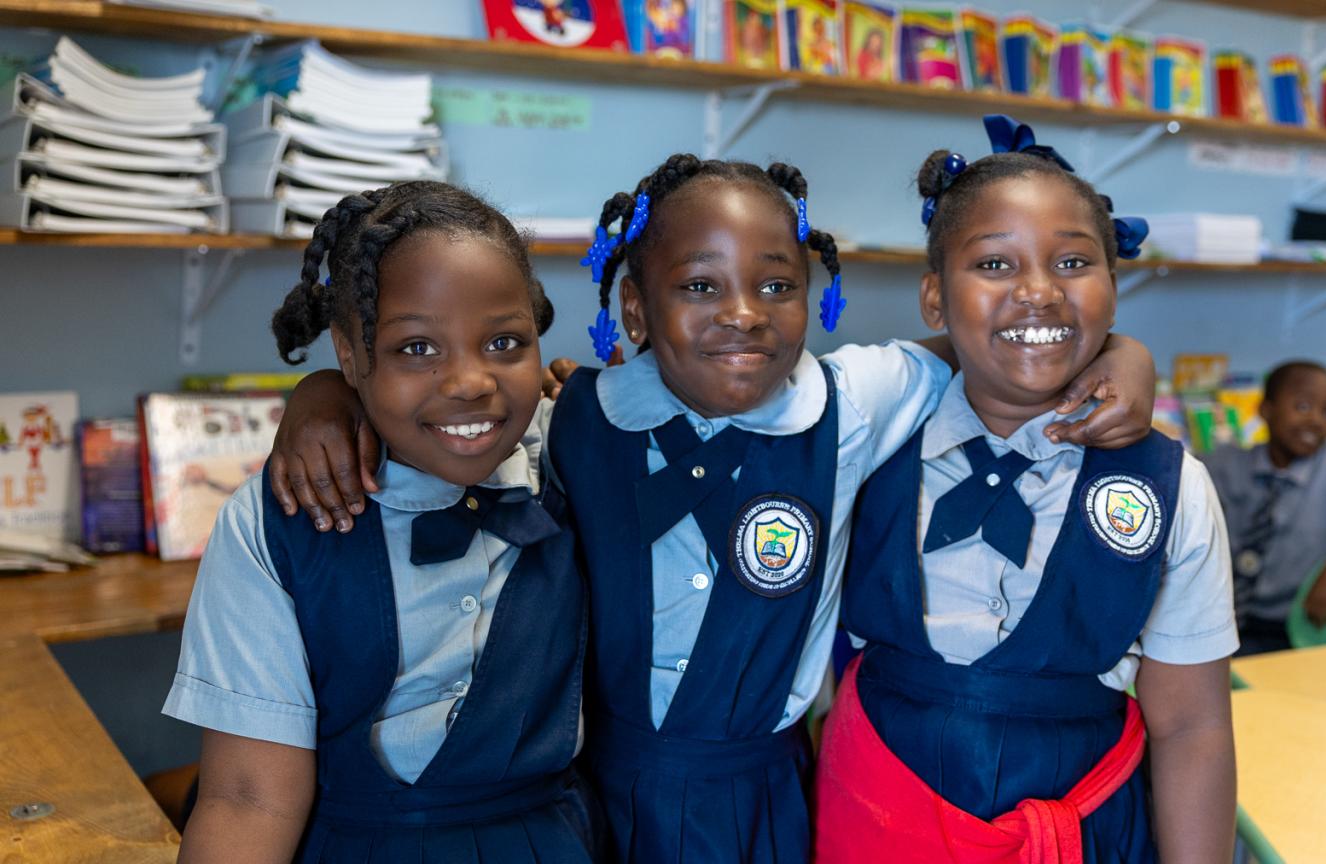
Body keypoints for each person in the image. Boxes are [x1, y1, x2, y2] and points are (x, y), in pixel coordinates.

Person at [263, 154, 1158, 862]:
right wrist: (323, 397)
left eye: (777, 285)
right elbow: (440, 400)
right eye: (699, 286)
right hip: (595, 793)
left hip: (764, 793)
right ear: (635, 309)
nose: (744, 314)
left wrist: (1118, 352)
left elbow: (991, 337)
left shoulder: (853, 401)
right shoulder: (573, 414)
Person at [816, 116, 1238, 863]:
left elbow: (1192, 727)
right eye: (995, 265)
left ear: (1113, 288)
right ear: (935, 301)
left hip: (1086, 823)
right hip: (879, 810)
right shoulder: (868, 438)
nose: (1039, 291)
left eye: (1074, 262)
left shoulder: (1171, 486)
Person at [165, 182, 598, 863]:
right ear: (349, 352)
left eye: (505, 341)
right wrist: (322, 393)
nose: (469, 381)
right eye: (416, 348)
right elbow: (248, 799)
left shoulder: (579, 460)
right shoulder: (278, 520)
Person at [1202, 361, 1326, 654]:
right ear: (1266, 410)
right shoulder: (1222, 465)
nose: (1317, 421)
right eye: (1304, 406)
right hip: (1219, 620)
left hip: (1300, 627)